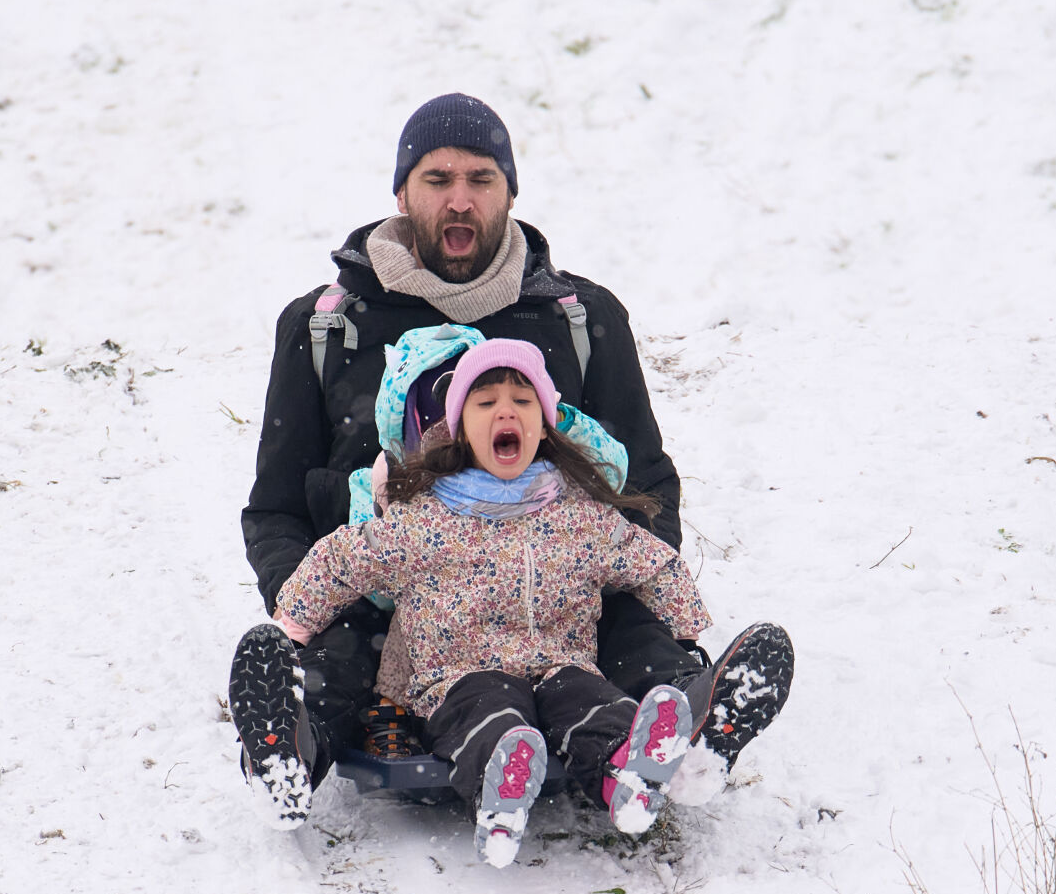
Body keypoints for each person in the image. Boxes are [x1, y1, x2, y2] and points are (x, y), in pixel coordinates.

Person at [233, 92, 793, 820]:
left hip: (554, 591)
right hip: (387, 589)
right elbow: (274, 506)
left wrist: (617, 576)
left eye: (480, 179)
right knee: (339, 664)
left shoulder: (579, 318)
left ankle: (689, 726)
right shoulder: (325, 326)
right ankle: (289, 747)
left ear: (510, 192)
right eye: (437, 180)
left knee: (634, 636)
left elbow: (645, 483)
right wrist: (308, 603)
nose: (459, 200)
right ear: (401, 192)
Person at [242, 340, 711, 866]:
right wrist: (293, 626)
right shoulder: (427, 515)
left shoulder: (579, 514)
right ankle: (502, 791)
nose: (505, 410)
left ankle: (628, 772)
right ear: (462, 427)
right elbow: (345, 559)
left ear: (545, 424)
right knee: (491, 714)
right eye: (485, 403)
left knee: (593, 702)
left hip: (562, 662)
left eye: (523, 400)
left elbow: (647, 560)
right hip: (458, 674)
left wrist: (686, 632)